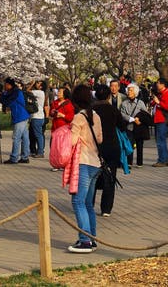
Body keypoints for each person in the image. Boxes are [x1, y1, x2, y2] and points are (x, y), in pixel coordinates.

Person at [66, 84, 103, 253]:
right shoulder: (96, 116)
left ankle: (85, 240)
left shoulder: (78, 118)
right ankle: (91, 238)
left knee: (78, 201)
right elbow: (100, 139)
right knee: (88, 203)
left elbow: (72, 142)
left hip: (83, 162)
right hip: (96, 162)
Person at [92, 84, 122, 216]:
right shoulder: (113, 110)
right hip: (112, 146)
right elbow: (122, 126)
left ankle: (89, 204)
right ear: (109, 96)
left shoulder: (90, 110)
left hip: (94, 147)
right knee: (110, 177)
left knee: (92, 176)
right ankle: (106, 209)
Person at [0, 77, 31, 164]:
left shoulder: (15, 92)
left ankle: (14, 157)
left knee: (16, 137)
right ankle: (25, 156)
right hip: (23, 115)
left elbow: (7, 102)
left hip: (20, 116)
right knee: (25, 137)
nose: (4, 86)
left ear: (9, 85)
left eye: (5, 85)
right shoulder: (15, 91)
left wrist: (0, 97)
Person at [120, 83, 149, 166]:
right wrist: (132, 119)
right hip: (129, 127)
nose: (129, 92)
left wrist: (139, 119)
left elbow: (145, 113)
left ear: (135, 92)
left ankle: (140, 163)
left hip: (139, 127)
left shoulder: (140, 103)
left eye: (131, 90)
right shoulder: (124, 103)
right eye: (128, 90)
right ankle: (129, 162)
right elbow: (122, 114)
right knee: (129, 145)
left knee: (139, 145)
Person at [151, 78, 168, 166]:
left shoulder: (167, 94)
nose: (157, 84)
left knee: (160, 141)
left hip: (162, 119)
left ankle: (162, 160)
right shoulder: (161, 93)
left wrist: (158, 103)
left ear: (162, 84)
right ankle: (165, 159)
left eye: (158, 83)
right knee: (160, 140)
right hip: (158, 119)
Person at [28, 79, 46, 158]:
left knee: (38, 135)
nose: (37, 84)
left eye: (38, 83)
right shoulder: (40, 93)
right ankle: (37, 151)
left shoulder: (40, 92)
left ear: (41, 87)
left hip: (37, 117)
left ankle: (40, 151)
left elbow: (28, 91)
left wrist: (32, 83)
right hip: (38, 116)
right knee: (36, 135)